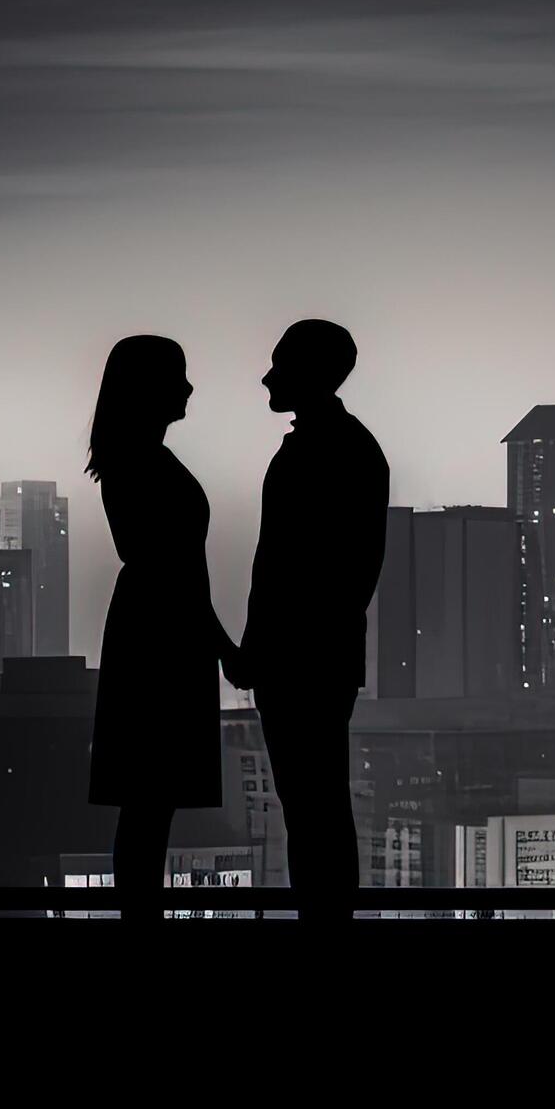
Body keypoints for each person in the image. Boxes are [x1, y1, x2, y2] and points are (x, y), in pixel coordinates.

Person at [235, 319, 389, 924]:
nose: (267, 376)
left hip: (303, 658)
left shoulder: (331, 449)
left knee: (312, 804)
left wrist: (264, 646)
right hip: (312, 655)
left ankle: (324, 923)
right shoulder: (340, 446)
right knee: (313, 803)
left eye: (280, 364)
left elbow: (294, 567)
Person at [85, 336, 239, 919]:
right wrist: (223, 646)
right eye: (178, 376)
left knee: (149, 802)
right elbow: (174, 567)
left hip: (158, 627)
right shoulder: (140, 460)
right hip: (160, 633)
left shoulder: (137, 456)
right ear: (149, 388)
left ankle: (139, 921)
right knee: (151, 801)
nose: (189, 387)